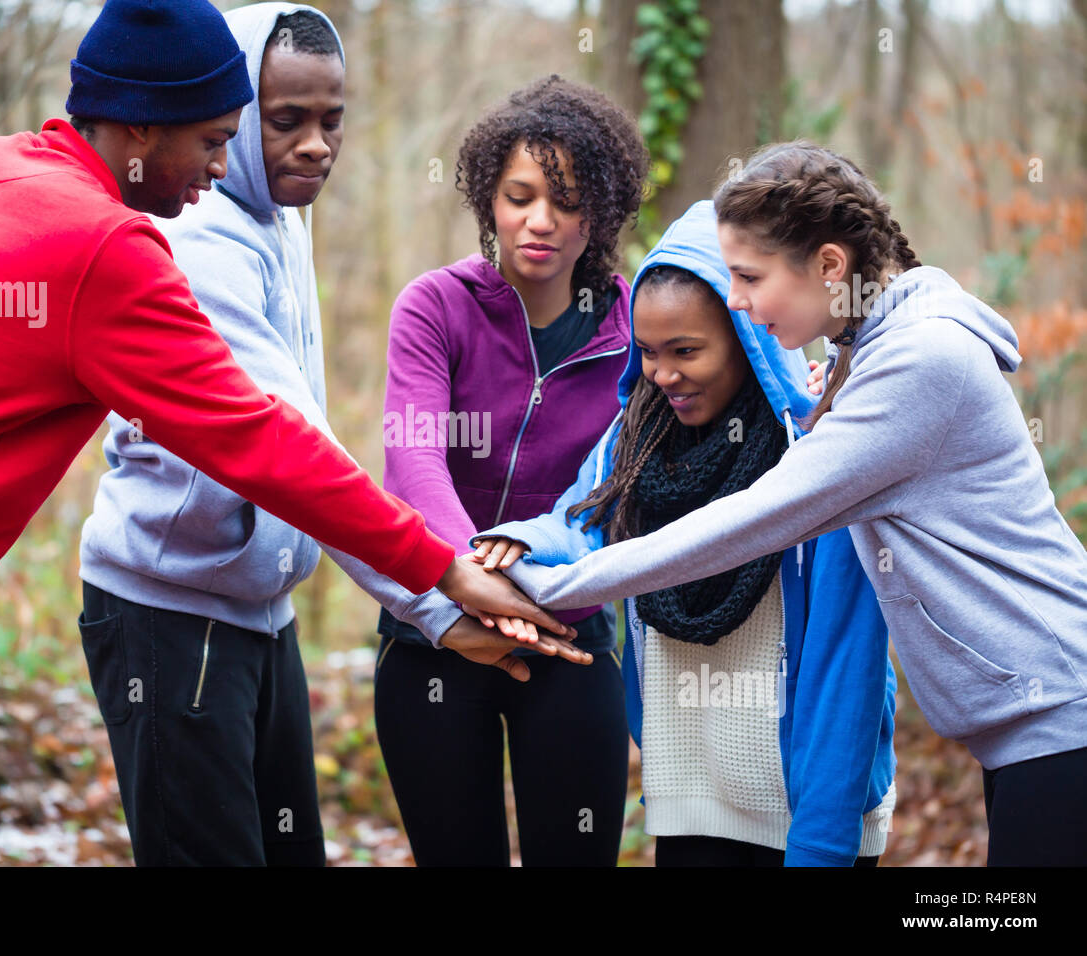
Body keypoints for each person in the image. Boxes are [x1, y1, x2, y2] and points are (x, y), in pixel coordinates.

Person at [0, 0, 575, 867]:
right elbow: (256, 440)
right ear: (135, 128)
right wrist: (442, 568)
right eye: (207, 141)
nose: (217, 165)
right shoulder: (111, 250)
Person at [490, 142, 1087, 867]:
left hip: (1061, 713)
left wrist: (554, 585)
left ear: (829, 266)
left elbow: (756, 517)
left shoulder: (918, 363)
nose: (736, 300)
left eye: (749, 277)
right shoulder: (868, 351)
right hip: (1034, 724)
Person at [77, 4, 576, 868]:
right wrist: (434, 604)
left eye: (331, 118)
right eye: (284, 121)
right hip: (170, 613)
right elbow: (292, 449)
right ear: (228, 117)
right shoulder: (198, 244)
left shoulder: (279, 215)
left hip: (258, 615)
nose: (315, 144)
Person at [473, 200, 896, 866]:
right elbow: (581, 521)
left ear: (746, 339)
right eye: (646, 352)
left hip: (804, 817)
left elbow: (848, 665)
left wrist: (822, 841)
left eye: (686, 351)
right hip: (688, 795)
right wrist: (525, 541)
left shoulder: (821, 455)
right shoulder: (637, 440)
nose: (662, 374)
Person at [372, 76, 650, 866]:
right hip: (434, 633)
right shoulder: (434, 307)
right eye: (520, 196)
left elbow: (618, 487)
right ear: (487, 199)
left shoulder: (634, 329)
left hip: (571, 633)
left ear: (598, 212)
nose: (540, 221)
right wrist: (469, 580)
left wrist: (534, 576)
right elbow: (413, 455)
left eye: (566, 201)